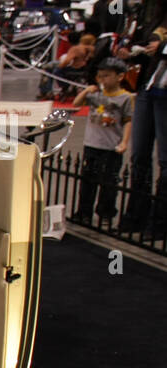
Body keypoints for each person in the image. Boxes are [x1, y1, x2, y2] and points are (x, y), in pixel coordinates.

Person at [116, 26, 167, 235]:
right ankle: (137, 214)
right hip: (150, 87)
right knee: (139, 156)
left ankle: (159, 221)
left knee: (165, 160)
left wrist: (162, 47)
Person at [71, 59, 133, 226]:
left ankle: (106, 213)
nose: (102, 80)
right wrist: (86, 91)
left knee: (109, 182)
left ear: (120, 77)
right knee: (87, 181)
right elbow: (76, 104)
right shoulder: (95, 94)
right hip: (92, 143)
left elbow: (128, 120)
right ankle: (84, 211)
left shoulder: (125, 98)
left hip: (111, 146)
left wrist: (125, 142)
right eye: (100, 76)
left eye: (106, 76)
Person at [38, 33, 96, 99]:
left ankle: (47, 91)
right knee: (52, 66)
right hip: (83, 69)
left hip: (73, 68)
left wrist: (60, 66)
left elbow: (67, 61)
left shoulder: (76, 48)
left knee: (48, 68)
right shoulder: (93, 49)